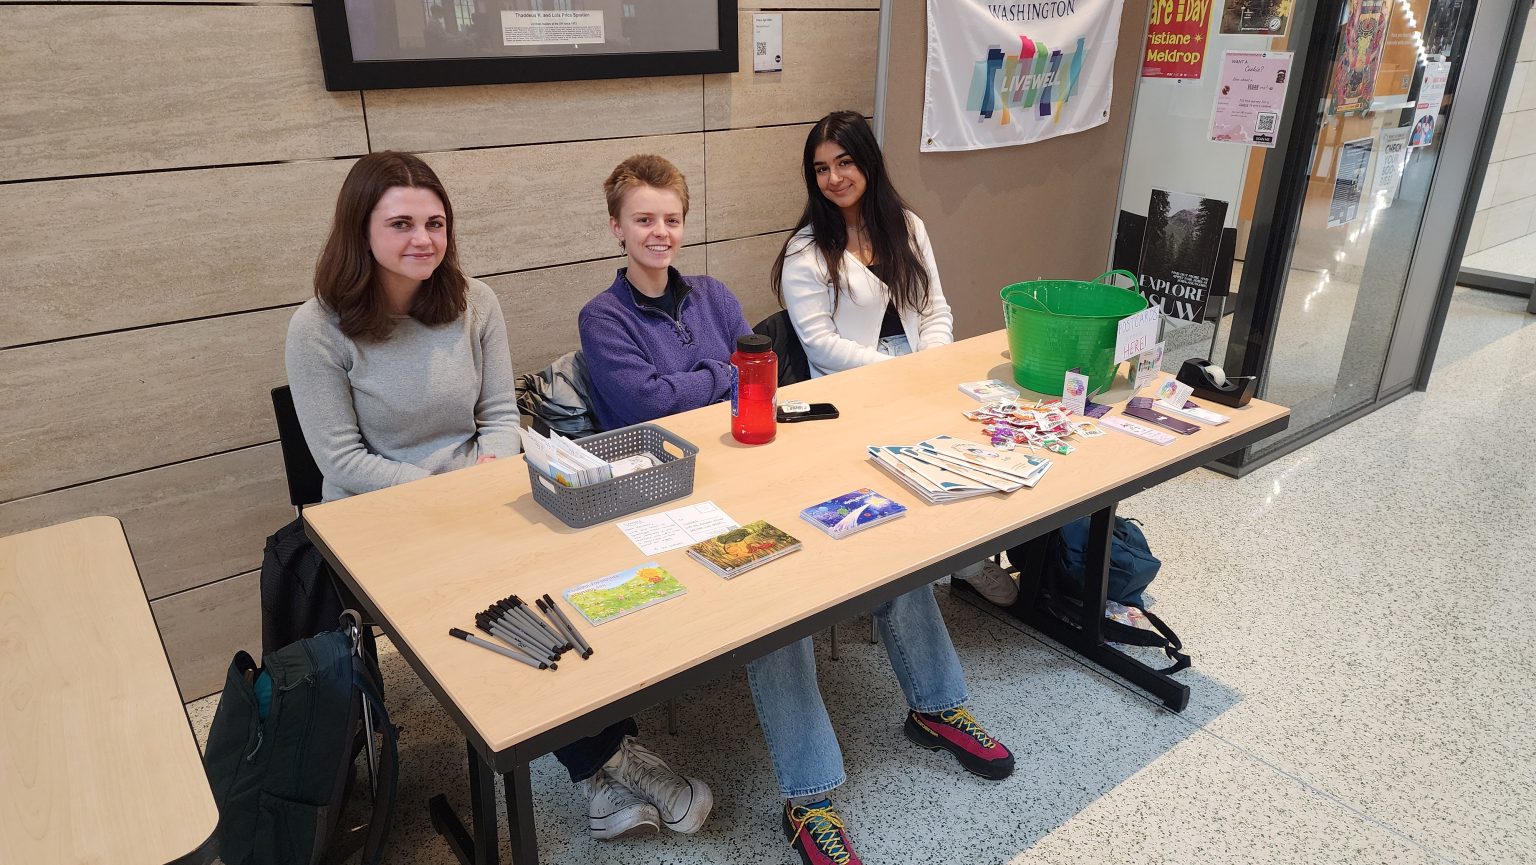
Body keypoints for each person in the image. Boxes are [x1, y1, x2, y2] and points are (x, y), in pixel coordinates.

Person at [583, 154, 1014, 865]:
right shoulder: (601, 316)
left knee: (883, 534)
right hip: (676, 498)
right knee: (775, 595)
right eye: (643, 220)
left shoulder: (715, 294)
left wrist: (714, 378)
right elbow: (645, 406)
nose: (659, 232)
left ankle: (938, 706)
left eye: (670, 218)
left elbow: (766, 369)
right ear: (616, 228)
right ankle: (809, 796)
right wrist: (721, 375)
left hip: (763, 462)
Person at [285, 151, 711, 842]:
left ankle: (600, 765)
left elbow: (501, 418)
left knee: (570, 584)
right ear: (359, 230)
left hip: (482, 489)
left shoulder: (474, 302)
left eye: (435, 222)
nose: (422, 239)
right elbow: (342, 459)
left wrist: (485, 478)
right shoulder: (317, 329)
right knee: (502, 608)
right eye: (401, 223)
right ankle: (608, 762)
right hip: (383, 516)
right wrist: (447, 495)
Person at [772, 110, 1021, 609]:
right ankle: (963, 562)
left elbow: (935, 308)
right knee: (916, 459)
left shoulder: (906, 226)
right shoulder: (805, 251)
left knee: (980, 442)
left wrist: (930, 365)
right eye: (821, 169)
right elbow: (820, 343)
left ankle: (964, 551)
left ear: (868, 162)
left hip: (921, 365)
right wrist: (897, 375)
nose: (834, 178)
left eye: (844, 162)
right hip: (851, 383)